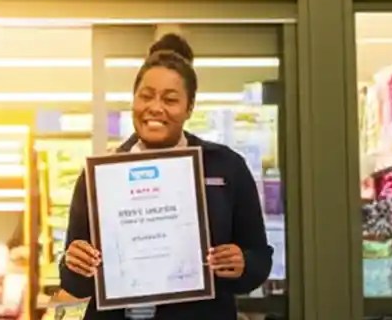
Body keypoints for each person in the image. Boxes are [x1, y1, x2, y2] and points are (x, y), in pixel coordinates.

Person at [59, 46, 272, 319]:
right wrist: (73, 263)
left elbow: (260, 257)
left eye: (170, 99)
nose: (155, 108)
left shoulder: (226, 167)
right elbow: (74, 282)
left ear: (189, 108)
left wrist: (244, 263)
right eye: (146, 96)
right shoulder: (99, 176)